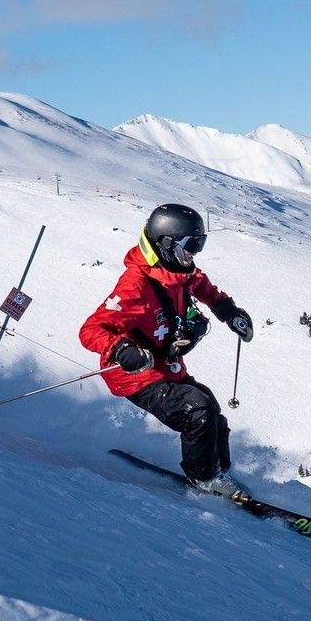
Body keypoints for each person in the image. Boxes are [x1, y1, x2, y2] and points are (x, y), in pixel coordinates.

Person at [79, 204, 253, 496]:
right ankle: (205, 479)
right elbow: (90, 330)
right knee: (197, 410)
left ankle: (220, 471)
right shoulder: (135, 286)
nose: (194, 255)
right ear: (167, 244)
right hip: (135, 374)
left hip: (165, 367)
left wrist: (228, 311)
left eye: (199, 245)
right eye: (190, 247)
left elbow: (203, 286)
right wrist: (122, 350)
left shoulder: (179, 273)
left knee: (212, 411)